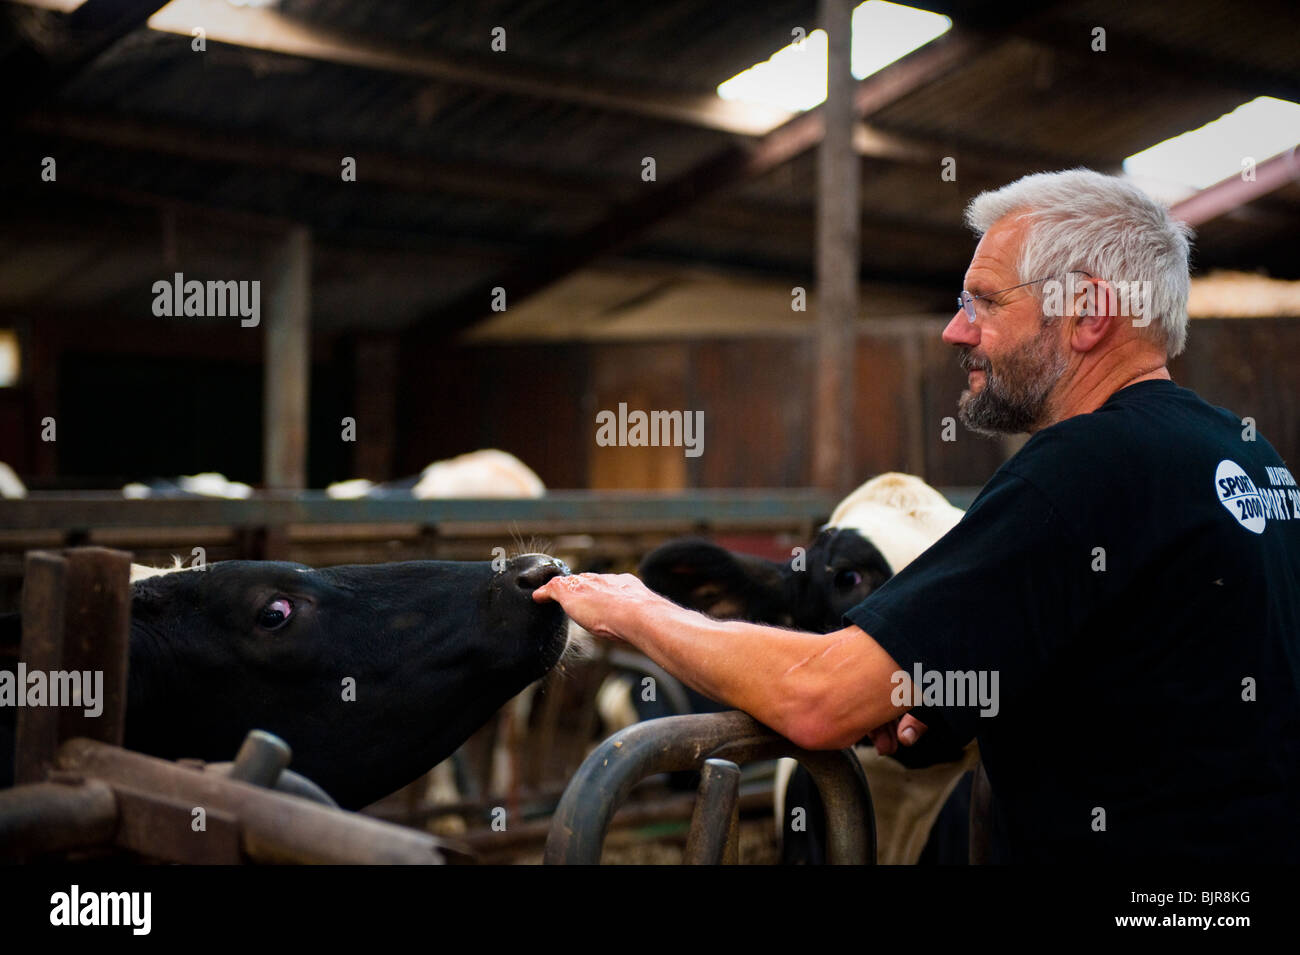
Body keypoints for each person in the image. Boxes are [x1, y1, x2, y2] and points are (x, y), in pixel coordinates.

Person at [534, 169, 1300, 863]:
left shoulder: (1087, 465)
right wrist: (947, 695)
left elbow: (815, 695)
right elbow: (1152, 672)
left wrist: (634, 608)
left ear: (1087, 312)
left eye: (985, 302)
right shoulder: (1253, 460)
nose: (956, 329)